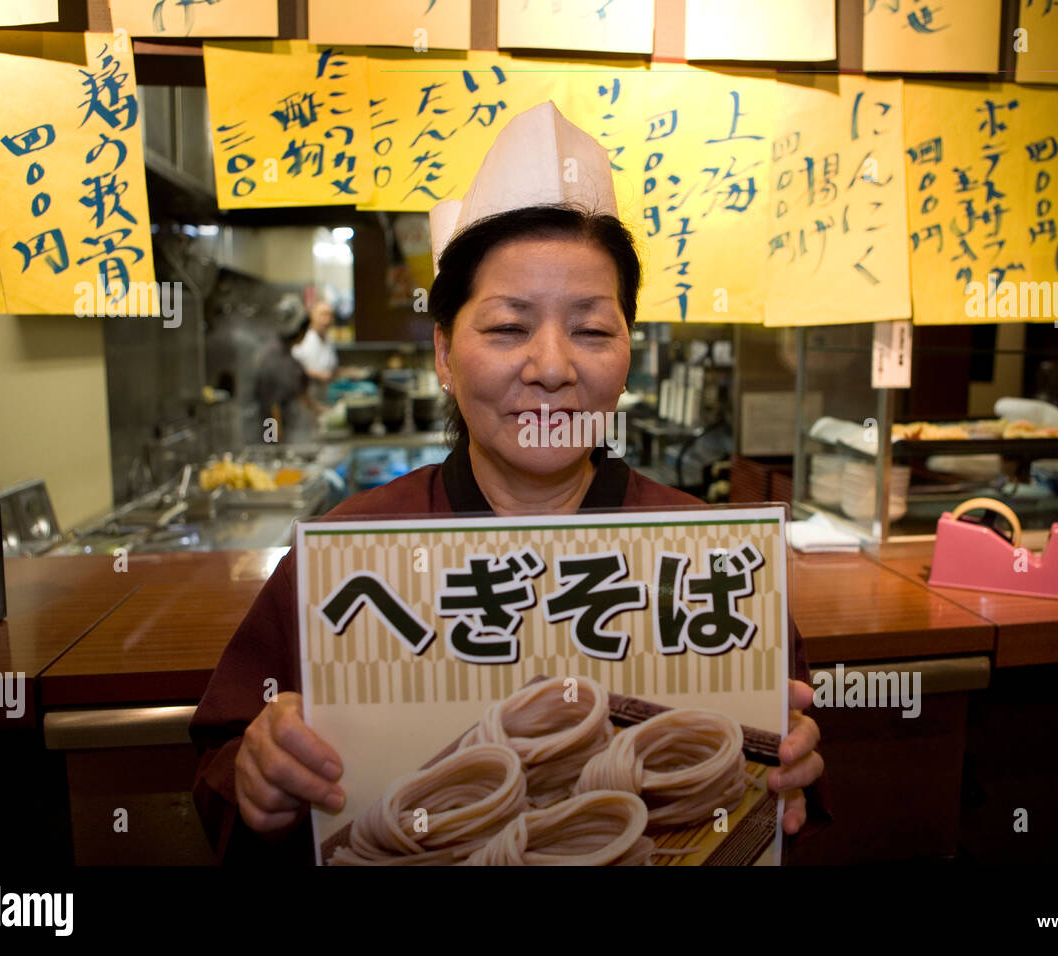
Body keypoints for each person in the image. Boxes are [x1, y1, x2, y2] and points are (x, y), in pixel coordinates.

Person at [191, 203, 829, 864]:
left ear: (628, 352)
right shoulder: (352, 553)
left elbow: (789, 763)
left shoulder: (711, 555)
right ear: (443, 352)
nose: (551, 366)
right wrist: (258, 779)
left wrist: (795, 770)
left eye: (591, 329)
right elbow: (227, 757)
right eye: (506, 326)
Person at [254, 301, 321, 443]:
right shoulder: (276, 356)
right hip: (273, 429)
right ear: (299, 331)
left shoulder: (285, 354)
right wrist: (274, 440)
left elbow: (299, 391)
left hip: (285, 427)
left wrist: (317, 409)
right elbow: (272, 404)